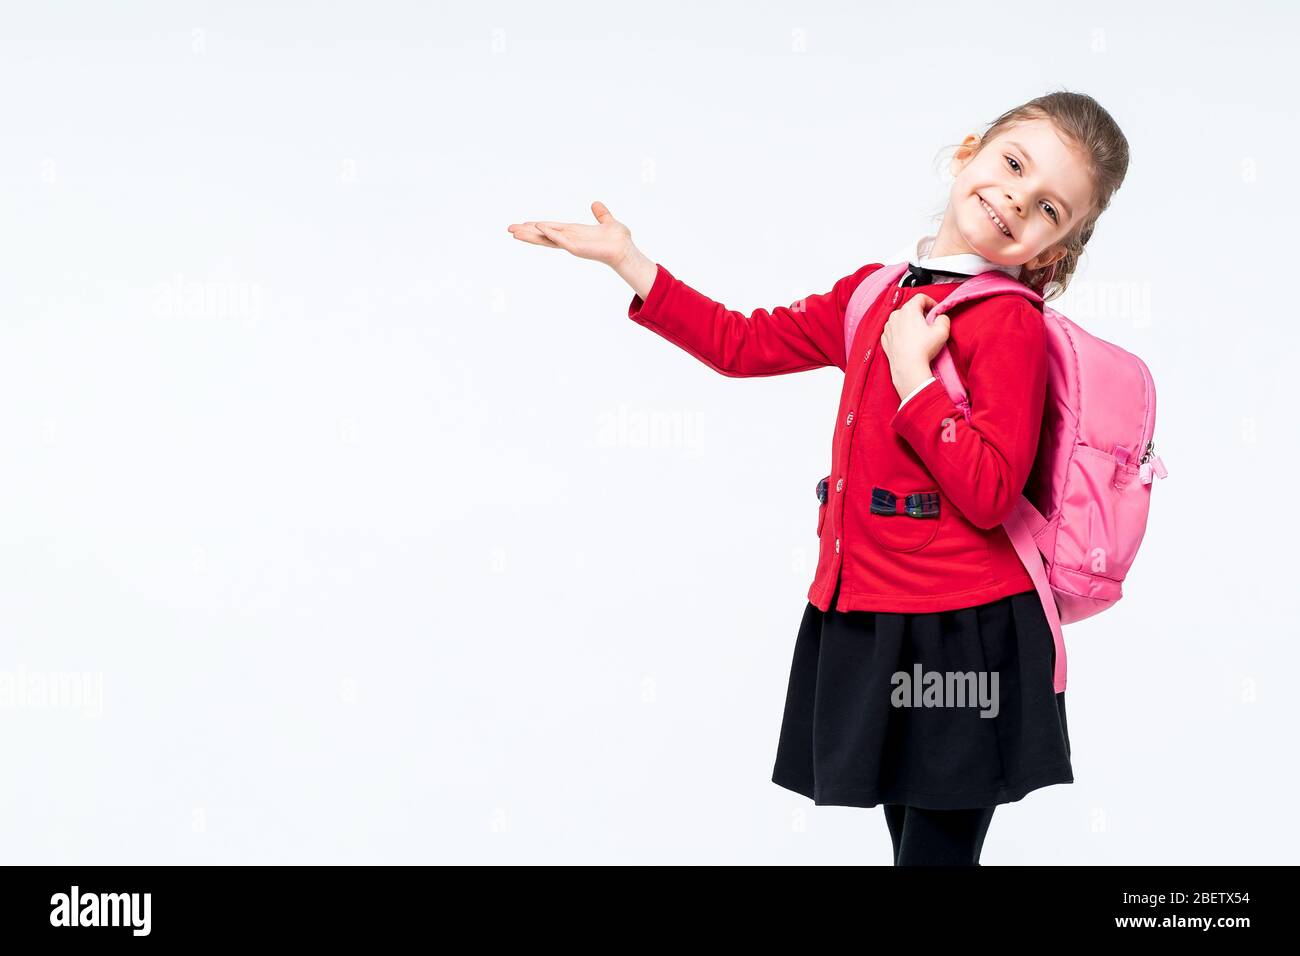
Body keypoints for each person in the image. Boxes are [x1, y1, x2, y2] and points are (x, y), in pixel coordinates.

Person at [508, 90, 1130, 865]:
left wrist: (915, 378)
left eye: (1046, 208)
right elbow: (743, 344)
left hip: (965, 636)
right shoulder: (873, 290)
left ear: (1052, 252)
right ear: (969, 149)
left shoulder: (1007, 321)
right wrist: (630, 263)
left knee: (934, 857)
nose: (1014, 199)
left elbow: (991, 490)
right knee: (914, 848)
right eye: (1011, 163)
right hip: (873, 614)